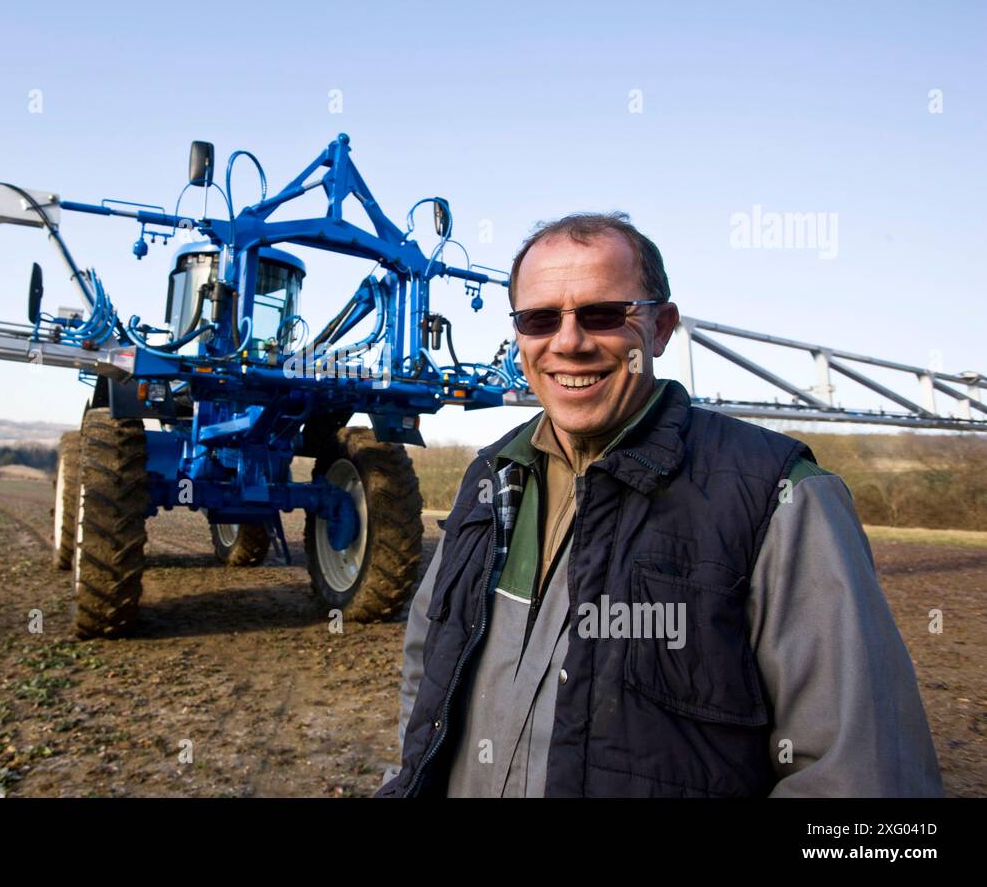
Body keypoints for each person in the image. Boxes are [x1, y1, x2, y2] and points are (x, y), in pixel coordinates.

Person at [376, 212, 943, 797]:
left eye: (602, 314)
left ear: (662, 327)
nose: (568, 342)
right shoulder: (490, 478)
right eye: (540, 318)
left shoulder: (780, 498)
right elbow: (427, 673)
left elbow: (865, 782)